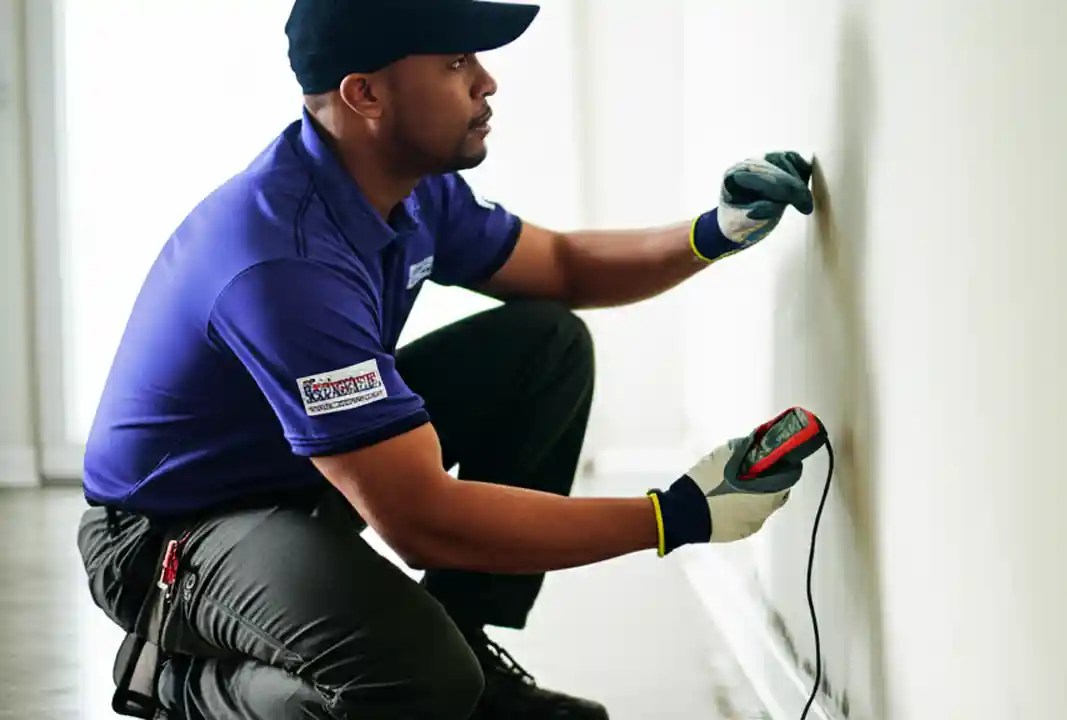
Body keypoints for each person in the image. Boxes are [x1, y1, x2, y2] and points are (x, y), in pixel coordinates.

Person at [74, 0, 817, 718]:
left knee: (544, 345)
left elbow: (560, 265)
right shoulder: (286, 264)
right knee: (416, 684)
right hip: (170, 538)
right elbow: (423, 521)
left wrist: (715, 232)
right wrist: (677, 516)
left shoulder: (410, 191)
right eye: (457, 62)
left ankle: (468, 639)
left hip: (294, 475)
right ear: (364, 93)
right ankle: (181, 687)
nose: (486, 81)